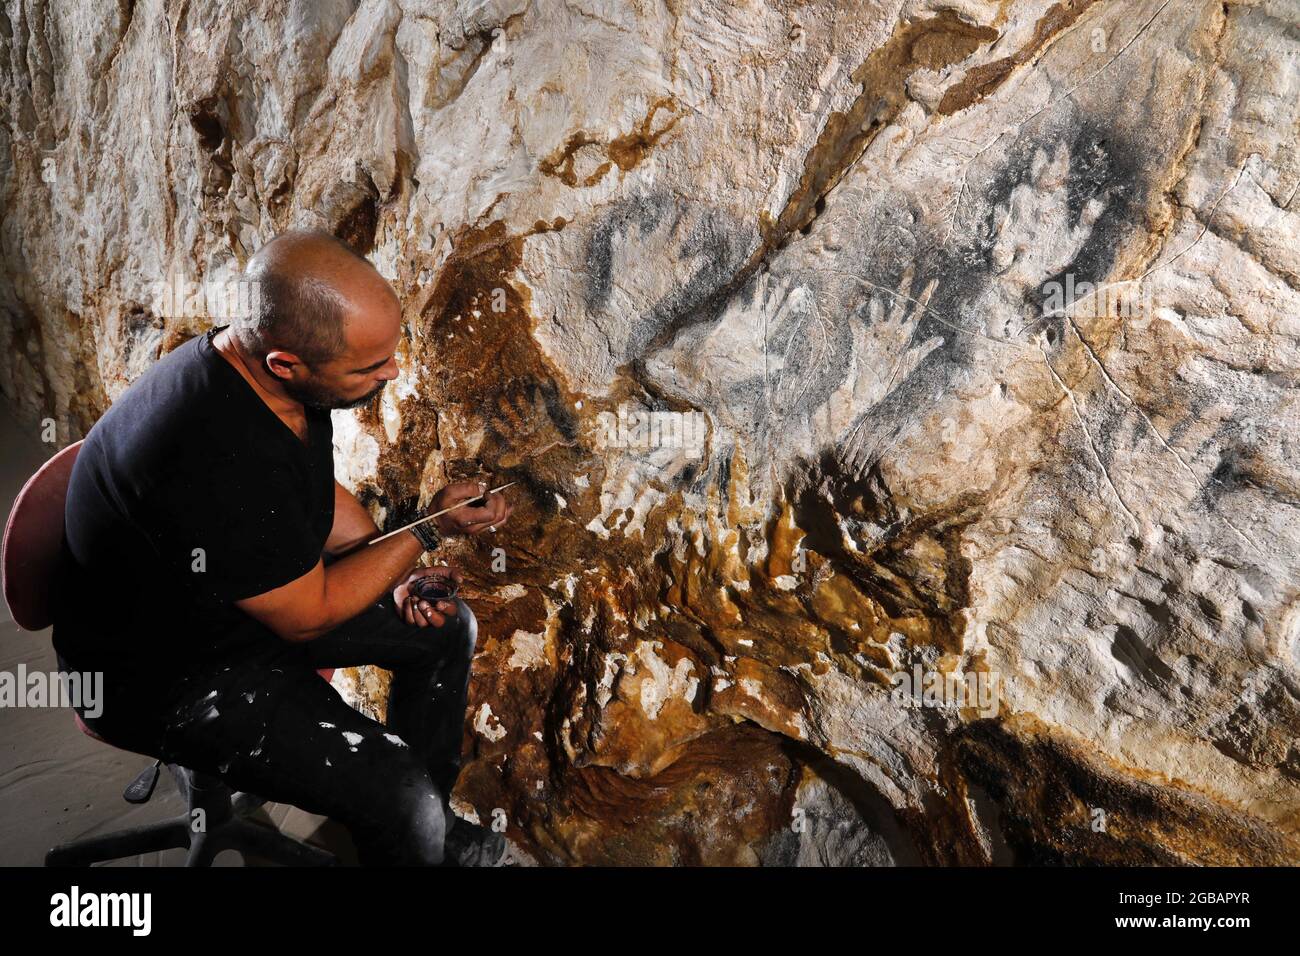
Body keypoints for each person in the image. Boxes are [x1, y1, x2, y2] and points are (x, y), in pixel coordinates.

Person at [51, 229, 514, 865]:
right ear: (285, 363)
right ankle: (415, 819)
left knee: (444, 626)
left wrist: (393, 562)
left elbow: (309, 490)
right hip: (164, 674)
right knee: (395, 791)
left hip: (231, 600)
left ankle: (426, 835)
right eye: (371, 368)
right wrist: (427, 531)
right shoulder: (214, 450)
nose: (392, 372)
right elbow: (308, 616)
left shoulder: (269, 366)